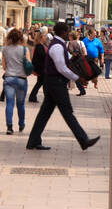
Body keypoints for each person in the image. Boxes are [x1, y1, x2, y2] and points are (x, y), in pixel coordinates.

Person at [26, 22, 100, 152]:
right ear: (64, 32)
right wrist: (78, 78)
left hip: (52, 82)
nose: (68, 33)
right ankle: (84, 140)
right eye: (67, 31)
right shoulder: (57, 47)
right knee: (67, 112)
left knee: (45, 113)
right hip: (56, 83)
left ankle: (33, 141)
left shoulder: (57, 45)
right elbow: (61, 68)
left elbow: (64, 64)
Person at [3, 27, 29, 135]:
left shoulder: (5, 49)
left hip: (9, 78)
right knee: (20, 104)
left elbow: (4, 67)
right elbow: (29, 64)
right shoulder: (24, 49)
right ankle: (21, 124)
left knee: (9, 103)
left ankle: (9, 127)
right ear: (20, 38)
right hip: (22, 79)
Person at [29, 28, 48, 104]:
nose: (46, 37)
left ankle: (33, 97)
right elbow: (42, 56)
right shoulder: (39, 46)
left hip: (41, 67)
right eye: (45, 36)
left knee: (40, 83)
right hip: (41, 68)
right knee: (42, 83)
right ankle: (34, 97)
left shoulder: (41, 45)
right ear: (41, 37)